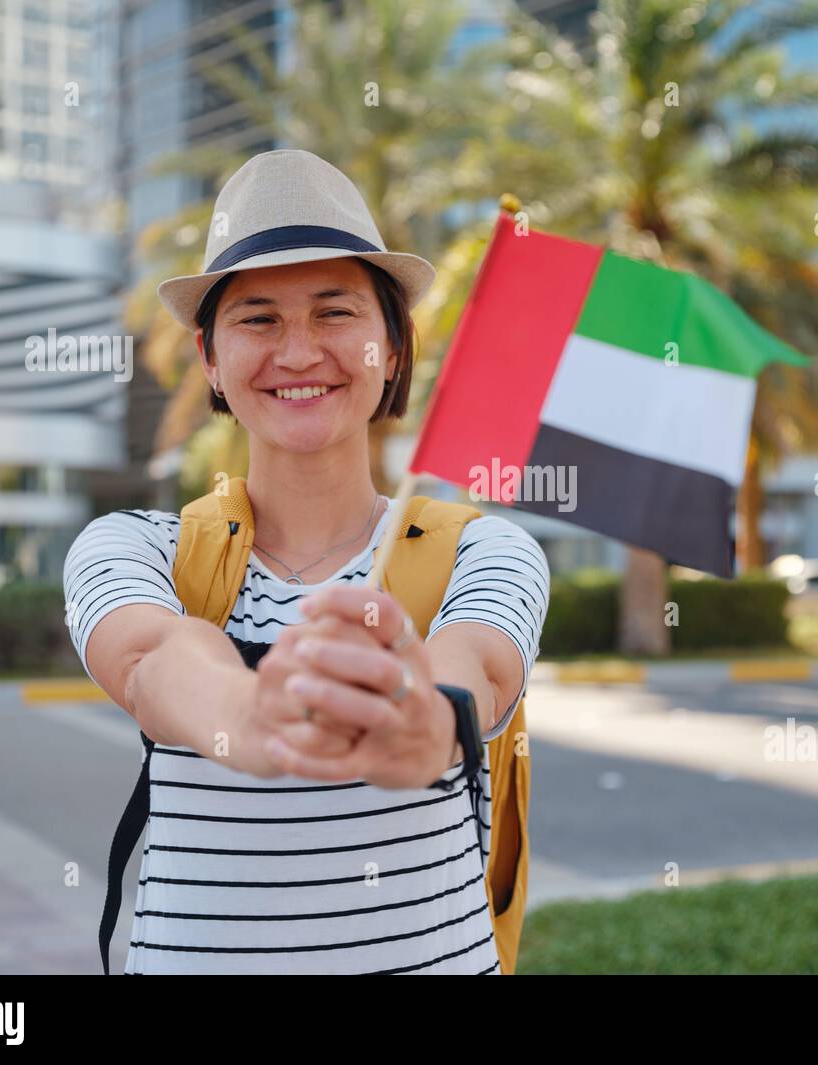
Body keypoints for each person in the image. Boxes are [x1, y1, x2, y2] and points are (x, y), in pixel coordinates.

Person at [63, 149, 550, 974]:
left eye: (335, 313)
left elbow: (478, 673)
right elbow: (152, 662)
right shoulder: (135, 546)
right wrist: (253, 717)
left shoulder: (484, 547)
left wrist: (424, 721)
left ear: (392, 348)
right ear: (210, 358)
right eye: (258, 318)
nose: (297, 352)